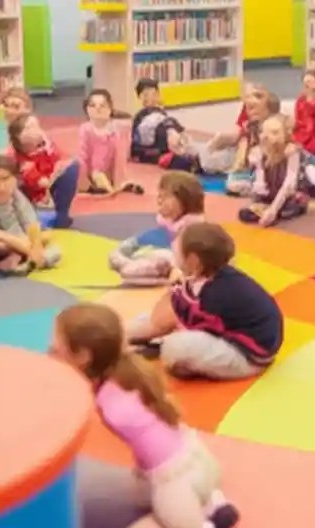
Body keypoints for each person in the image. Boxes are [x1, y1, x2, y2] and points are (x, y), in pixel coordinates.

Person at [50, 304, 240, 528]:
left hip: (174, 481)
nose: (51, 349)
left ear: (82, 356)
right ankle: (213, 504)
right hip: (200, 457)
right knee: (144, 488)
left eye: (56, 347)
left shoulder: (110, 399)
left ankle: (202, 517)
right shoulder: (131, 372)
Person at [129, 223, 284, 381]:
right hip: (235, 335)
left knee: (173, 349)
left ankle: (122, 337)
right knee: (148, 320)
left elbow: (162, 320)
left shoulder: (216, 292)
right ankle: (119, 335)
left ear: (193, 261)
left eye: (178, 249)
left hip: (248, 356)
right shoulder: (207, 275)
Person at [110, 172, 206, 287]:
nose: (159, 201)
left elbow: (189, 262)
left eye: (165, 197)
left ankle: (129, 265)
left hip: (175, 266)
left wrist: (174, 269)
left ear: (184, 200)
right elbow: (145, 239)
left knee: (161, 257)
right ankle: (129, 262)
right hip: (164, 261)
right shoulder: (168, 224)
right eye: (159, 196)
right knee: (142, 253)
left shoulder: (193, 230)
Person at [8, 113, 79, 229]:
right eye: (31, 128)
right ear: (19, 136)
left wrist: (59, 168)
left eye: (37, 126)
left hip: (48, 184)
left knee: (71, 168)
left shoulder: (46, 145)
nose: (37, 131)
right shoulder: (18, 157)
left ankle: (61, 214)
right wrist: (53, 176)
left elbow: (61, 159)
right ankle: (29, 219)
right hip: (32, 194)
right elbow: (40, 181)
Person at [239, 115, 308, 226]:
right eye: (263, 132)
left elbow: (289, 184)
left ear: (286, 135)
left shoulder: (291, 152)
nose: (266, 137)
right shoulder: (259, 152)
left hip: (287, 195)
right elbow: (260, 185)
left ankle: (274, 211)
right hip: (269, 193)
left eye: (274, 132)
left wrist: (273, 209)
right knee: (247, 212)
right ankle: (265, 210)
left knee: (291, 205)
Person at [79, 89, 140, 195]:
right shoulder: (85, 129)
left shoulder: (116, 131)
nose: (97, 109)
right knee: (94, 174)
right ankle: (106, 189)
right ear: (87, 110)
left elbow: (119, 158)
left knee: (104, 177)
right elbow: (83, 155)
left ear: (110, 109)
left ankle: (116, 187)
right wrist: (84, 180)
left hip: (109, 173)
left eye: (102, 106)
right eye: (93, 106)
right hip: (92, 173)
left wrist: (118, 181)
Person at [131, 79, 197, 172]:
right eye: (145, 95)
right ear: (140, 97)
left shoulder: (161, 113)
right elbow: (138, 145)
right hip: (153, 153)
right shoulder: (140, 116)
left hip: (167, 149)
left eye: (154, 94)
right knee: (183, 161)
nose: (150, 98)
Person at [0, 86, 33, 155]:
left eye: (16, 106)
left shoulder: (30, 128)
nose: (9, 111)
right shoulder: (0, 128)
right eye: (6, 106)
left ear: (27, 110)